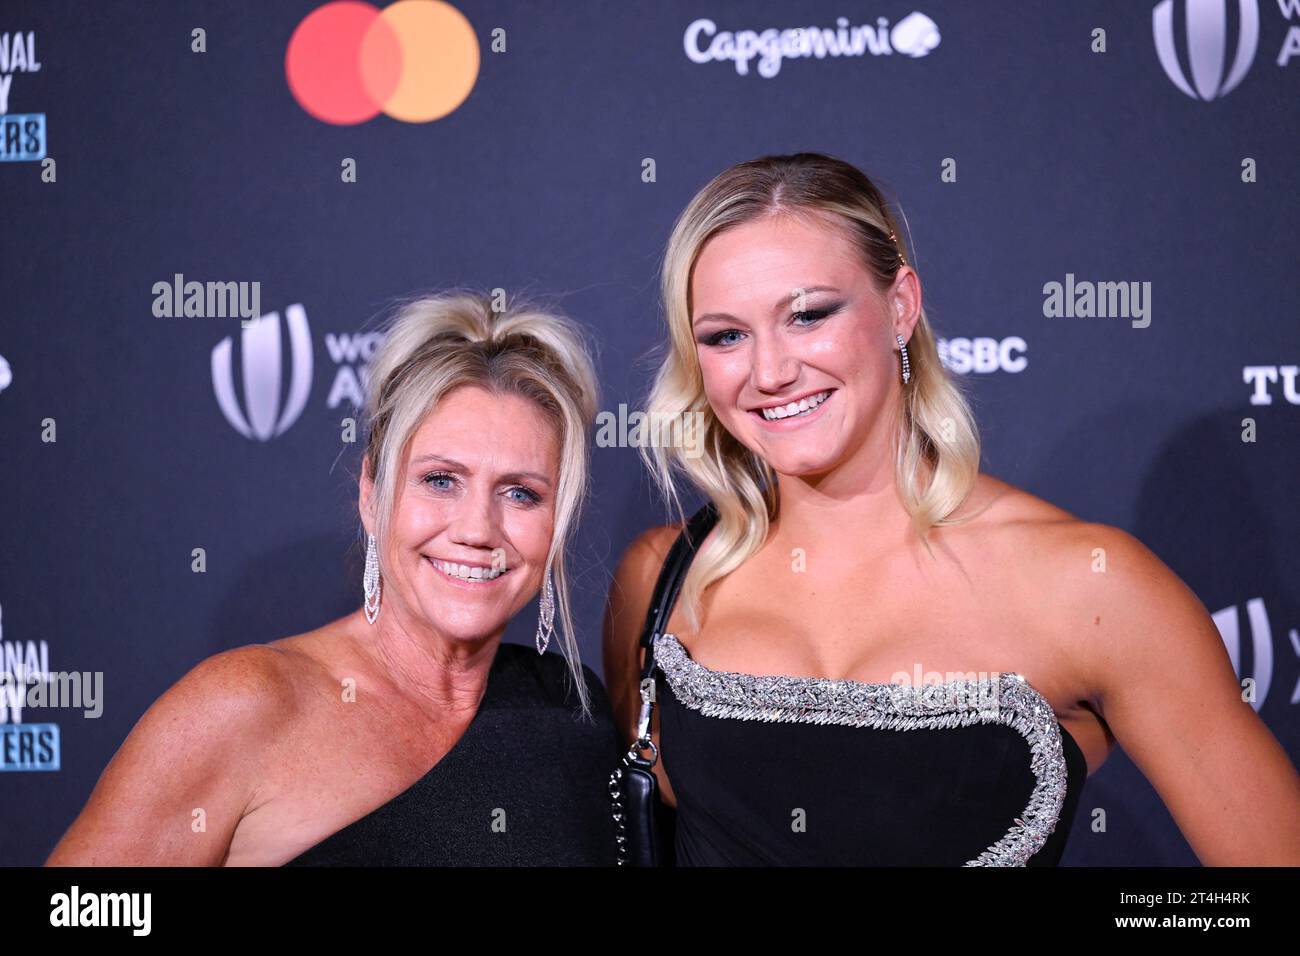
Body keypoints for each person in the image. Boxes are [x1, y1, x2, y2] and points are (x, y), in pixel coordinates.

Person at [603, 152, 1300, 866]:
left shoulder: (1093, 586)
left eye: (808, 315)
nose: (771, 371)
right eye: (726, 336)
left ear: (901, 306)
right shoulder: (662, 582)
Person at [48, 290, 620, 866]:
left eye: (520, 493)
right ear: (372, 494)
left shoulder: (573, 711)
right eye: (441, 480)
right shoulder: (246, 705)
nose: (478, 529)